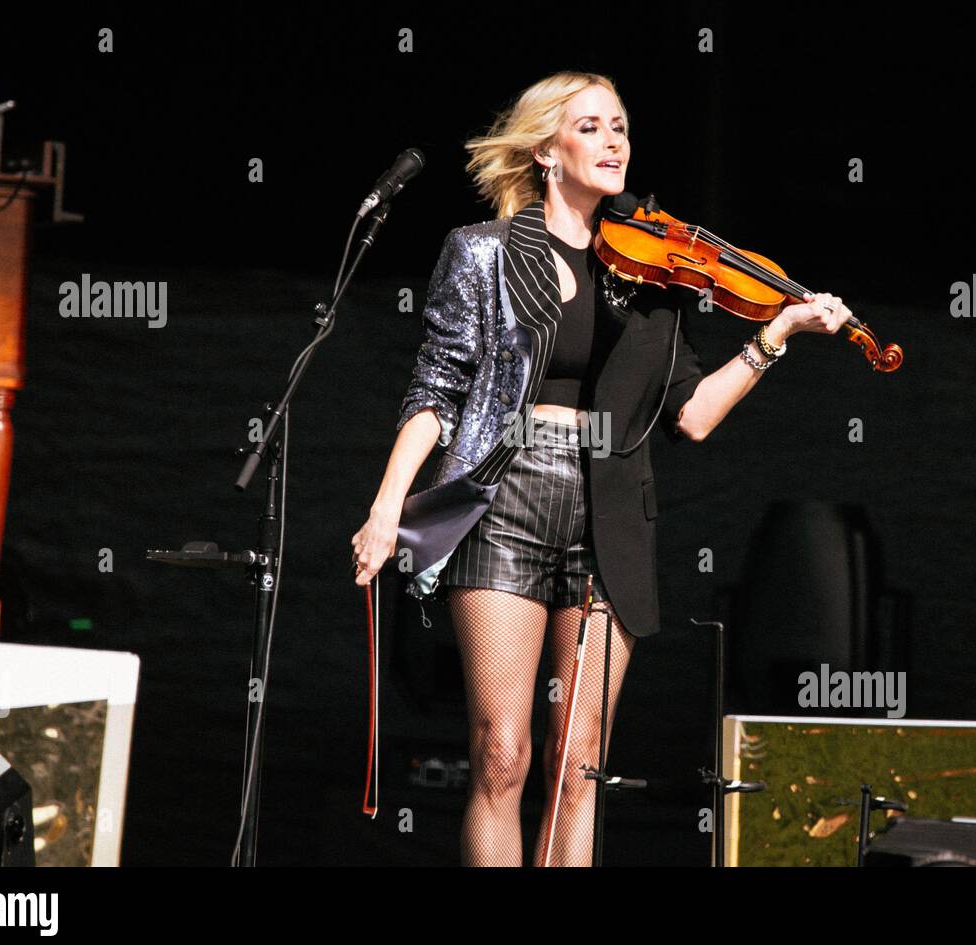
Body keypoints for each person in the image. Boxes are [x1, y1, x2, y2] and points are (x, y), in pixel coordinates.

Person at [350, 71, 851, 866]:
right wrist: (389, 508)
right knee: (502, 753)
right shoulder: (480, 252)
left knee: (579, 764)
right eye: (591, 127)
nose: (615, 140)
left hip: (608, 508)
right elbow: (436, 389)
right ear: (547, 150)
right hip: (503, 499)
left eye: (620, 126)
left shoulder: (655, 272)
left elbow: (690, 415)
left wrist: (777, 332)